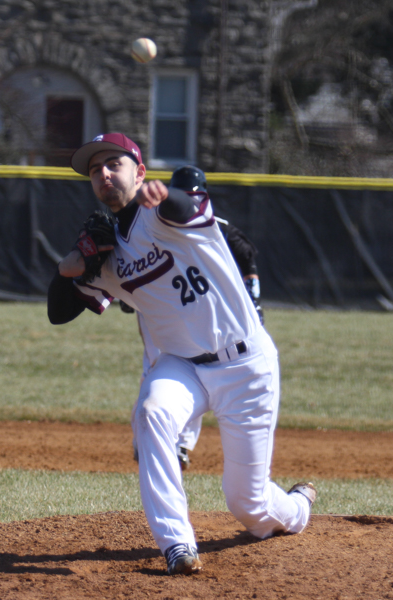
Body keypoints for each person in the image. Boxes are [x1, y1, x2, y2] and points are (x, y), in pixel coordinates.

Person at [47, 133, 315, 576]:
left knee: (249, 508)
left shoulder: (166, 213)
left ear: (140, 171)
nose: (104, 174)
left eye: (114, 163)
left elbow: (184, 208)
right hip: (181, 365)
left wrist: (165, 195)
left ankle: (298, 508)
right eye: (95, 170)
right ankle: (176, 543)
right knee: (150, 411)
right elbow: (58, 312)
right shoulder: (106, 251)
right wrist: (68, 265)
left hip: (245, 366)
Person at [126, 165, 265, 471]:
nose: (189, 201)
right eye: (184, 195)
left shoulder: (216, 225)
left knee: (195, 367)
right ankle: (151, 440)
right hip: (160, 314)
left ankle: (180, 444)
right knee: (156, 371)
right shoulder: (152, 225)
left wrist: (252, 298)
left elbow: (248, 257)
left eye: (195, 196)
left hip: (204, 315)